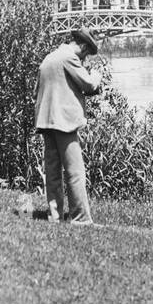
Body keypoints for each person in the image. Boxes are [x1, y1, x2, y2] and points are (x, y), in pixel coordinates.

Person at [34, 27, 103, 225]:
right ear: (82, 45)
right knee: (75, 172)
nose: (85, 59)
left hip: (46, 120)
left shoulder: (50, 57)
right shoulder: (69, 57)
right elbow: (89, 84)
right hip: (63, 121)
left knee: (53, 172)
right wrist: (96, 75)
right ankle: (81, 218)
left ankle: (55, 216)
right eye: (87, 53)